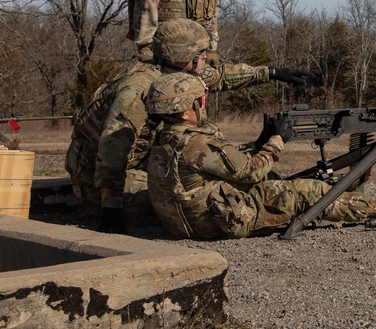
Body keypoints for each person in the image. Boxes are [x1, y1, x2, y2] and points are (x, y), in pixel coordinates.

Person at [65, 18, 316, 233]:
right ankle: (93, 203)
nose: (205, 58)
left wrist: (272, 73)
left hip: (137, 161)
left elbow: (221, 76)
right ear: (183, 56)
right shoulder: (138, 91)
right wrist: (111, 205)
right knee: (171, 199)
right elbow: (111, 150)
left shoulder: (177, 75)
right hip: (96, 172)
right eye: (200, 53)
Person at [145, 72, 376, 240]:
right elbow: (251, 171)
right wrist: (279, 140)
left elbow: (226, 162)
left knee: (279, 181)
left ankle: (346, 191)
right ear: (185, 111)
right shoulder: (197, 144)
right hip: (217, 224)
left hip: (187, 222)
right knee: (308, 191)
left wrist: (260, 142)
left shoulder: (165, 138)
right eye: (200, 102)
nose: (202, 107)